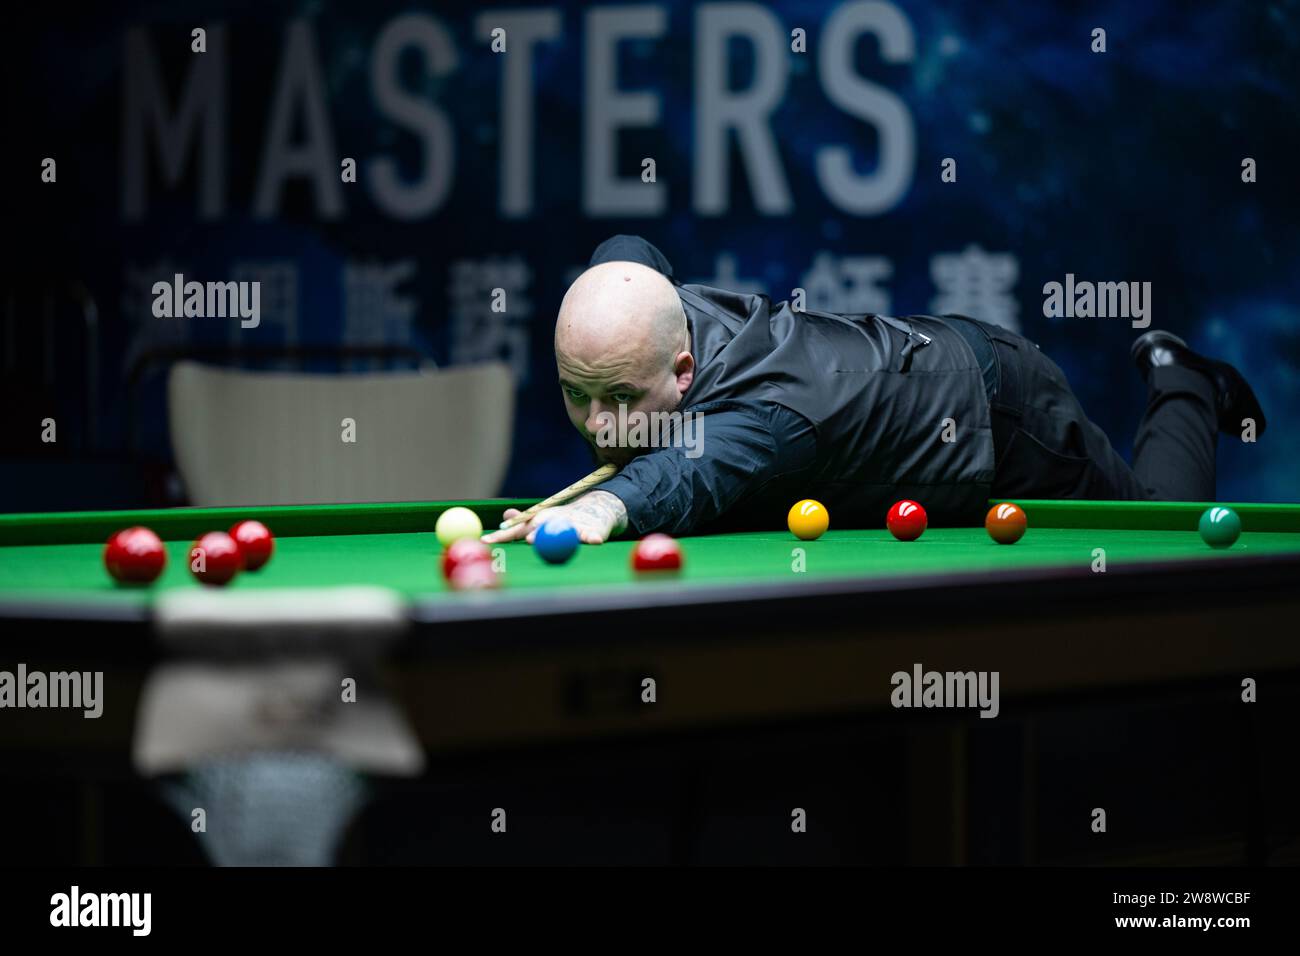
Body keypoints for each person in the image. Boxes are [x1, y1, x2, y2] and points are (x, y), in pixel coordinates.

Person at [484, 235, 1266, 545]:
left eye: (618, 398)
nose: (595, 422)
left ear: (683, 373)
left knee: (1166, 530)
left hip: (997, 410)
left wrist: (593, 510)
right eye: (574, 392)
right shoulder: (651, 311)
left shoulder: (763, 419)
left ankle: (1182, 380)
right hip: (917, 364)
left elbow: (684, 473)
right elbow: (627, 251)